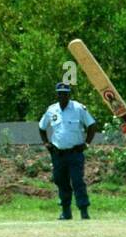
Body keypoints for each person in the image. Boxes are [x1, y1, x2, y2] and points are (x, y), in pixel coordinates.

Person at [38, 82, 98, 220]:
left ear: (69, 94)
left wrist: (87, 143)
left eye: (65, 93)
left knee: (77, 181)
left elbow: (92, 125)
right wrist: (46, 143)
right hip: (58, 154)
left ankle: (84, 211)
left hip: (75, 153)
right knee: (61, 182)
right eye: (60, 93)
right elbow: (41, 127)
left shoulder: (78, 108)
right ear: (57, 94)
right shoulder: (52, 110)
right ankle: (66, 212)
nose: (62, 96)